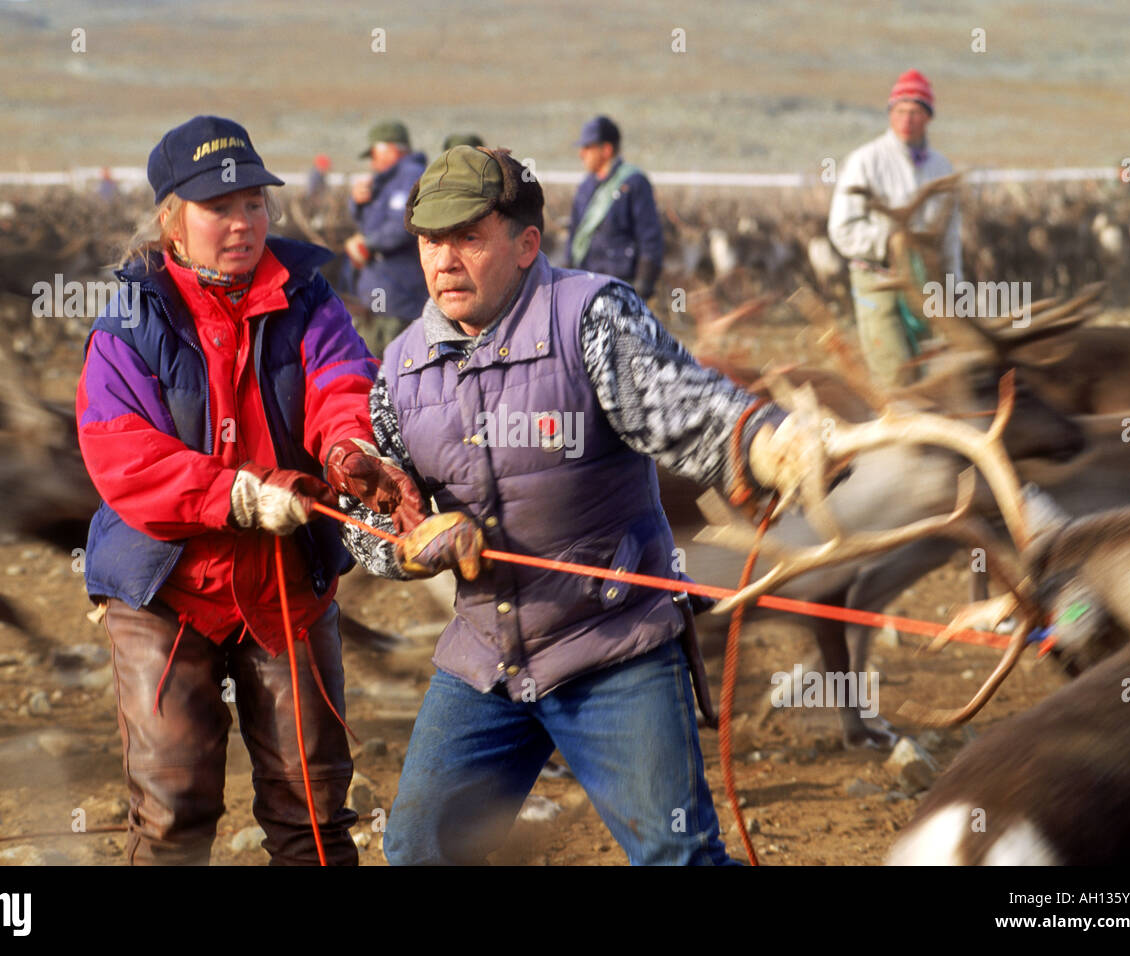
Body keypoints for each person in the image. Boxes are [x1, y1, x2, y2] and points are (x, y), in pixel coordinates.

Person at [340, 145, 837, 865]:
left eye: (468, 238)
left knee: (678, 855)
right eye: (430, 241)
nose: (443, 260)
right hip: (486, 660)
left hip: (613, 645)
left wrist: (765, 441)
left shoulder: (592, 317)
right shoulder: (402, 367)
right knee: (419, 850)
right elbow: (374, 517)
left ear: (526, 243)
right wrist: (407, 543)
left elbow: (678, 405)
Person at [76, 115, 426, 866]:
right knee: (173, 810)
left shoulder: (307, 296)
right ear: (172, 220)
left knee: (314, 808)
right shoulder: (128, 324)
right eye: (219, 208)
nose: (243, 223)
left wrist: (349, 449)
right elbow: (122, 458)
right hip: (165, 588)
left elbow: (340, 381)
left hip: (282, 579)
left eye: (254, 204)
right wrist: (236, 496)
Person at [828, 69, 962, 387]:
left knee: (930, 375)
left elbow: (950, 239)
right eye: (900, 111)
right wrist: (888, 242)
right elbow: (841, 228)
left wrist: (955, 288)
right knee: (896, 377)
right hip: (878, 281)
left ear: (928, 117)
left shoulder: (942, 169)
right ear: (890, 113)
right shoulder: (865, 161)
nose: (907, 119)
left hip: (926, 285)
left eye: (915, 112)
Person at [344, 119, 429, 356]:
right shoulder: (385, 180)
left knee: (390, 364)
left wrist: (366, 244)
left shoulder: (411, 176)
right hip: (379, 295)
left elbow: (403, 225)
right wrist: (357, 203)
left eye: (374, 153)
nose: (371, 162)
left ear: (391, 149)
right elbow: (370, 220)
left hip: (399, 296)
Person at [567, 115, 664, 300]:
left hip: (622, 285)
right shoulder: (585, 188)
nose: (581, 154)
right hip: (586, 285)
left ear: (606, 149)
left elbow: (650, 238)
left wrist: (643, 285)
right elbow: (575, 236)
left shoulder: (634, 183)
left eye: (588, 147)